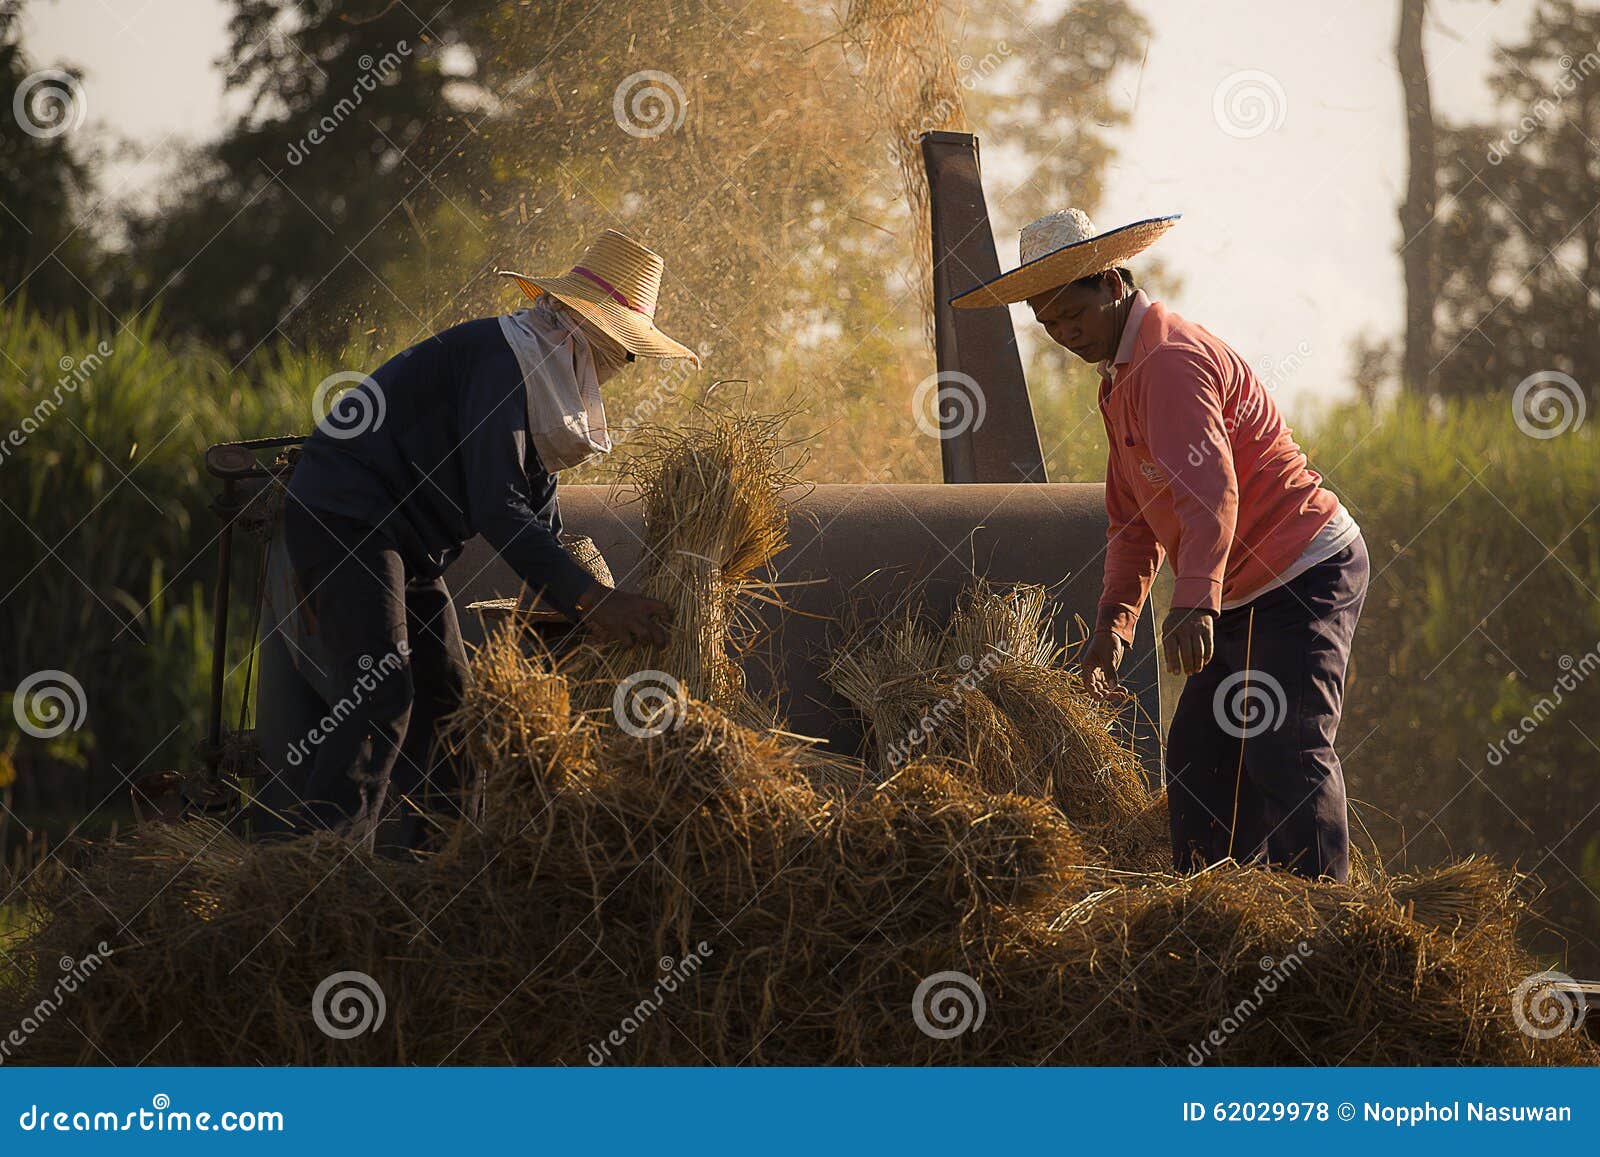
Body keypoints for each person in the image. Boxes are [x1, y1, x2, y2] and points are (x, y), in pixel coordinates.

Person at [952, 209, 1368, 881]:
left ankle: (1330, 928)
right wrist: (1114, 626)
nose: (1064, 333)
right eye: (1048, 323)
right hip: (1234, 587)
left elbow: (1212, 491)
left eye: (1072, 312)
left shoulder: (1167, 363)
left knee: (1282, 750)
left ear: (1113, 282)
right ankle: (1215, 919)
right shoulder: (1118, 381)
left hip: (1300, 569)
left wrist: (1196, 602)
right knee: (1201, 762)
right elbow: (1134, 520)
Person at [281, 229, 694, 843]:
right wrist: (594, 601)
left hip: (407, 542)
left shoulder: (539, 376)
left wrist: (572, 606)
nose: (622, 368)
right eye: (625, 352)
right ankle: (315, 866)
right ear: (590, 332)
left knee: (448, 698)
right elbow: (498, 509)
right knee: (381, 686)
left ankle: (437, 866)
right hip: (348, 514)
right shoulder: (503, 363)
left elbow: (535, 505)